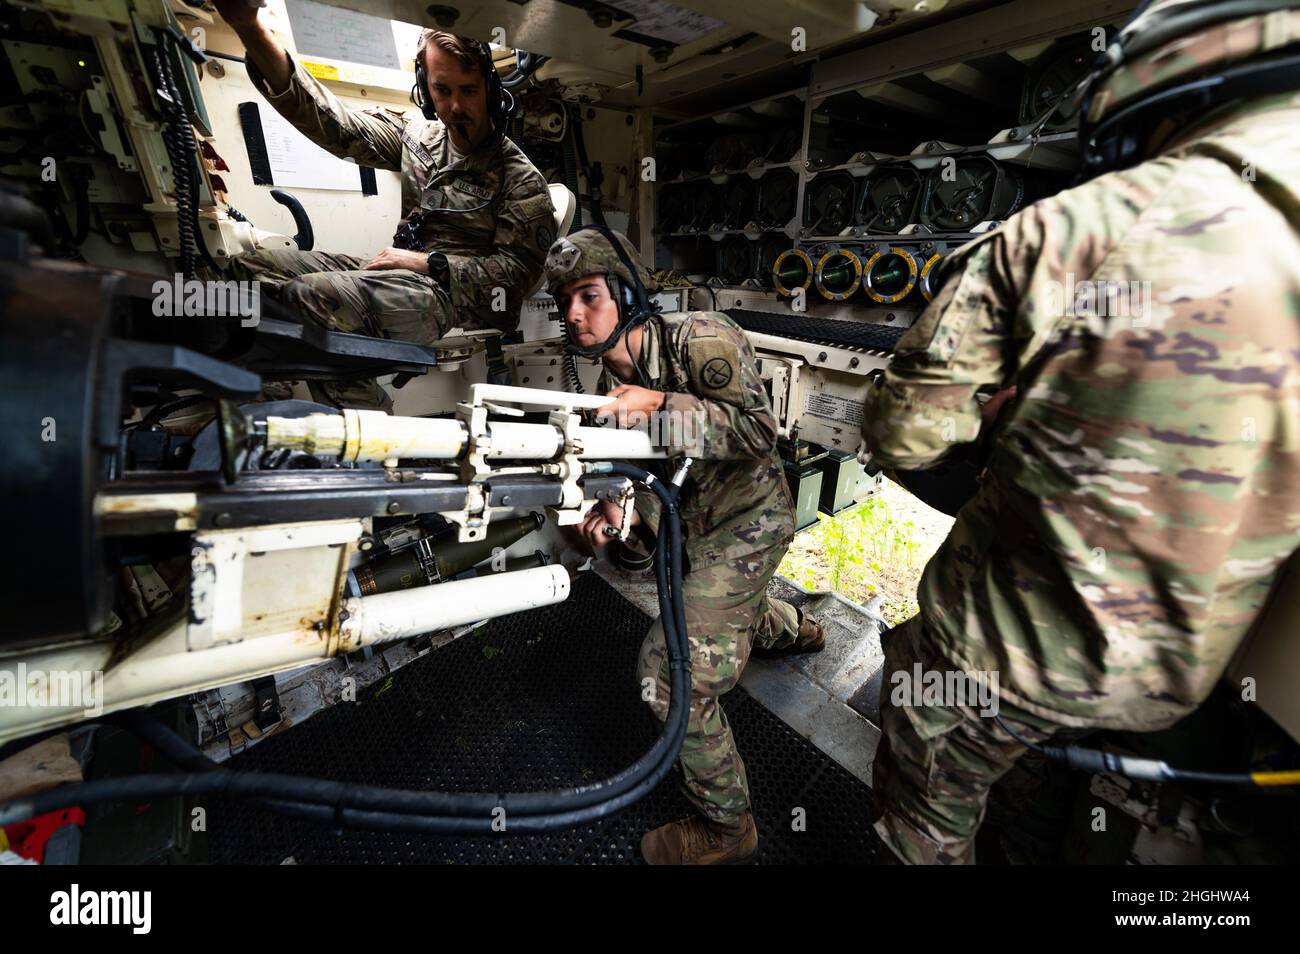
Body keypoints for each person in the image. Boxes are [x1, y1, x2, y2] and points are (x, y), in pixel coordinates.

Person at [860, 0, 1300, 864]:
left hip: (1007, 651)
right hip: (1186, 672)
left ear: (1165, 90)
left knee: (927, 799)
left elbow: (904, 437)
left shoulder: (1076, 230)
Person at [545, 226, 826, 864]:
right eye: (564, 302)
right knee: (717, 611)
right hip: (693, 534)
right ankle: (792, 628)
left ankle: (730, 830)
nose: (574, 315)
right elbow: (642, 545)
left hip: (749, 521)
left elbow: (758, 433)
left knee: (666, 676)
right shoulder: (603, 405)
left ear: (625, 294)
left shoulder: (700, 338)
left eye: (588, 295)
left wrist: (661, 406)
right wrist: (619, 528)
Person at [214, 2, 555, 410]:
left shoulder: (521, 178)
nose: (456, 108)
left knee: (315, 294)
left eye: (469, 91)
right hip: (397, 275)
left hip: (454, 298)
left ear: (491, 91)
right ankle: (265, 407)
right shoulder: (417, 136)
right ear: (425, 87)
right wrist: (248, 27)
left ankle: (371, 433)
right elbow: (335, 126)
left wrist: (428, 263)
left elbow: (513, 279)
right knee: (245, 272)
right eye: (442, 91)